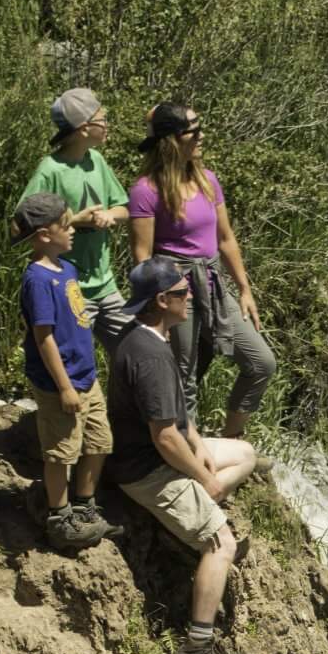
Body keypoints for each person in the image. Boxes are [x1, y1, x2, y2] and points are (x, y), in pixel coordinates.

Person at [103, 259, 266, 654]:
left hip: (163, 455)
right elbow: (164, 438)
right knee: (222, 545)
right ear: (162, 301)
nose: (189, 296)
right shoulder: (151, 356)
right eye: (181, 292)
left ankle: (198, 511)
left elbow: (178, 423)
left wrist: (199, 446)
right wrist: (203, 475)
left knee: (244, 454)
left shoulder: (150, 336)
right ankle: (195, 651)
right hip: (149, 470)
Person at [128, 100, 277, 440]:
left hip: (212, 283)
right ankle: (188, 451)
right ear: (173, 139)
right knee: (184, 374)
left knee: (260, 363)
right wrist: (157, 307)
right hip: (175, 287)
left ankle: (231, 438)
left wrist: (244, 289)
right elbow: (142, 257)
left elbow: (225, 239)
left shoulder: (208, 180)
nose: (201, 135)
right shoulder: (146, 191)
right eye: (194, 130)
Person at [11, 191, 111, 553]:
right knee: (61, 451)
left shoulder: (66, 268)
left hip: (87, 375)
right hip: (61, 383)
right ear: (44, 235)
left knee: (99, 441)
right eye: (65, 225)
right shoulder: (37, 280)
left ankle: (85, 506)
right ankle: (59, 516)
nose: (72, 231)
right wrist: (65, 387)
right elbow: (44, 338)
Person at [20, 88, 133, 343]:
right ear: (84, 128)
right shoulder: (50, 170)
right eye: (102, 119)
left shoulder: (97, 161)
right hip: (71, 287)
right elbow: (23, 226)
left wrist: (109, 215)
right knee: (74, 358)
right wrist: (74, 221)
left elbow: (124, 209)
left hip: (106, 285)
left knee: (135, 351)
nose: (107, 125)